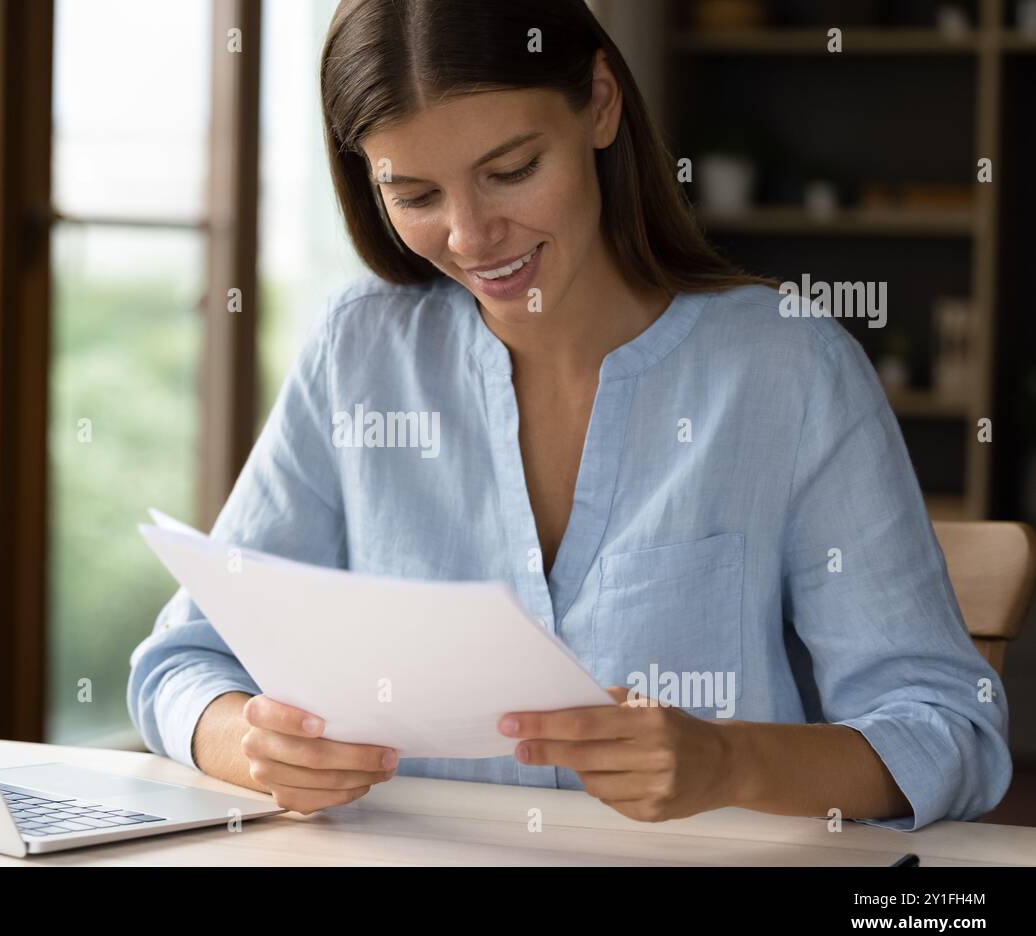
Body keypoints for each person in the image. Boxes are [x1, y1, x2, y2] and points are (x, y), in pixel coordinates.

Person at [128, 0, 1009, 830]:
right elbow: (181, 662)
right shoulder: (358, 355)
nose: (472, 237)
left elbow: (950, 732)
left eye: (510, 171)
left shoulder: (788, 370)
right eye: (417, 195)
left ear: (598, 102)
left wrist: (728, 760)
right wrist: (248, 741)